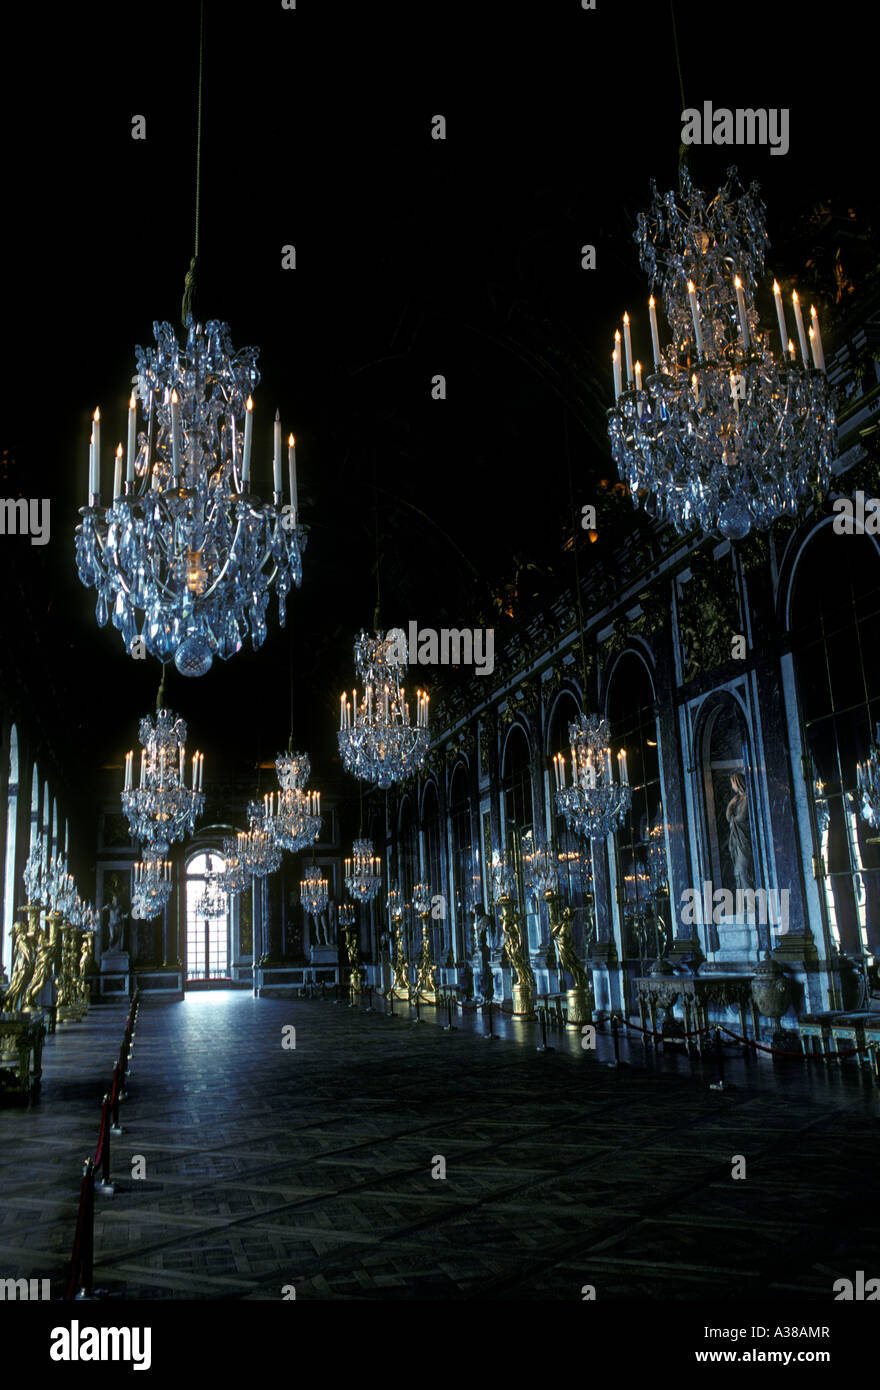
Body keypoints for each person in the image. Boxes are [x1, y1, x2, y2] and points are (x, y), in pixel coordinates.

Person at [726, 772, 754, 891]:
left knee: (743, 870)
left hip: (744, 840)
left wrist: (732, 813)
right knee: (738, 871)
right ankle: (746, 903)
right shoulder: (738, 799)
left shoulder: (747, 798)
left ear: (737, 783)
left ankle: (752, 903)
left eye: (733, 784)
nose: (732, 787)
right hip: (738, 840)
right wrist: (731, 805)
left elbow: (741, 818)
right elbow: (729, 817)